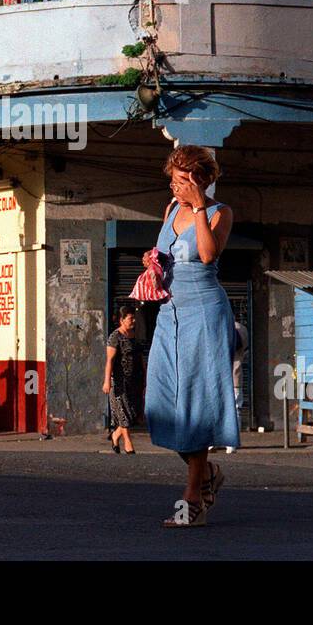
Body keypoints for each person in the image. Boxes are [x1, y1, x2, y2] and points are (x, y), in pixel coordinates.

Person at [145, 144, 239, 528]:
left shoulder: (219, 213)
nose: (174, 185)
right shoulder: (169, 211)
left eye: (181, 179)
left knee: (196, 404)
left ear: (199, 180)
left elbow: (205, 254)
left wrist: (199, 206)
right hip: (169, 314)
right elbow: (163, 252)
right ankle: (207, 473)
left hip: (204, 314)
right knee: (161, 402)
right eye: (171, 178)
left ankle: (191, 499)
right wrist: (150, 263)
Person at [103, 303, 142, 454]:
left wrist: (144, 378)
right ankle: (128, 443)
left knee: (132, 414)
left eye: (134, 318)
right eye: (130, 319)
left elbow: (139, 359)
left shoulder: (133, 336)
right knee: (124, 413)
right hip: (118, 382)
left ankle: (115, 435)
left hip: (133, 381)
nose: (133, 321)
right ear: (122, 320)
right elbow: (110, 361)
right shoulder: (115, 337)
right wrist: (107, 381)